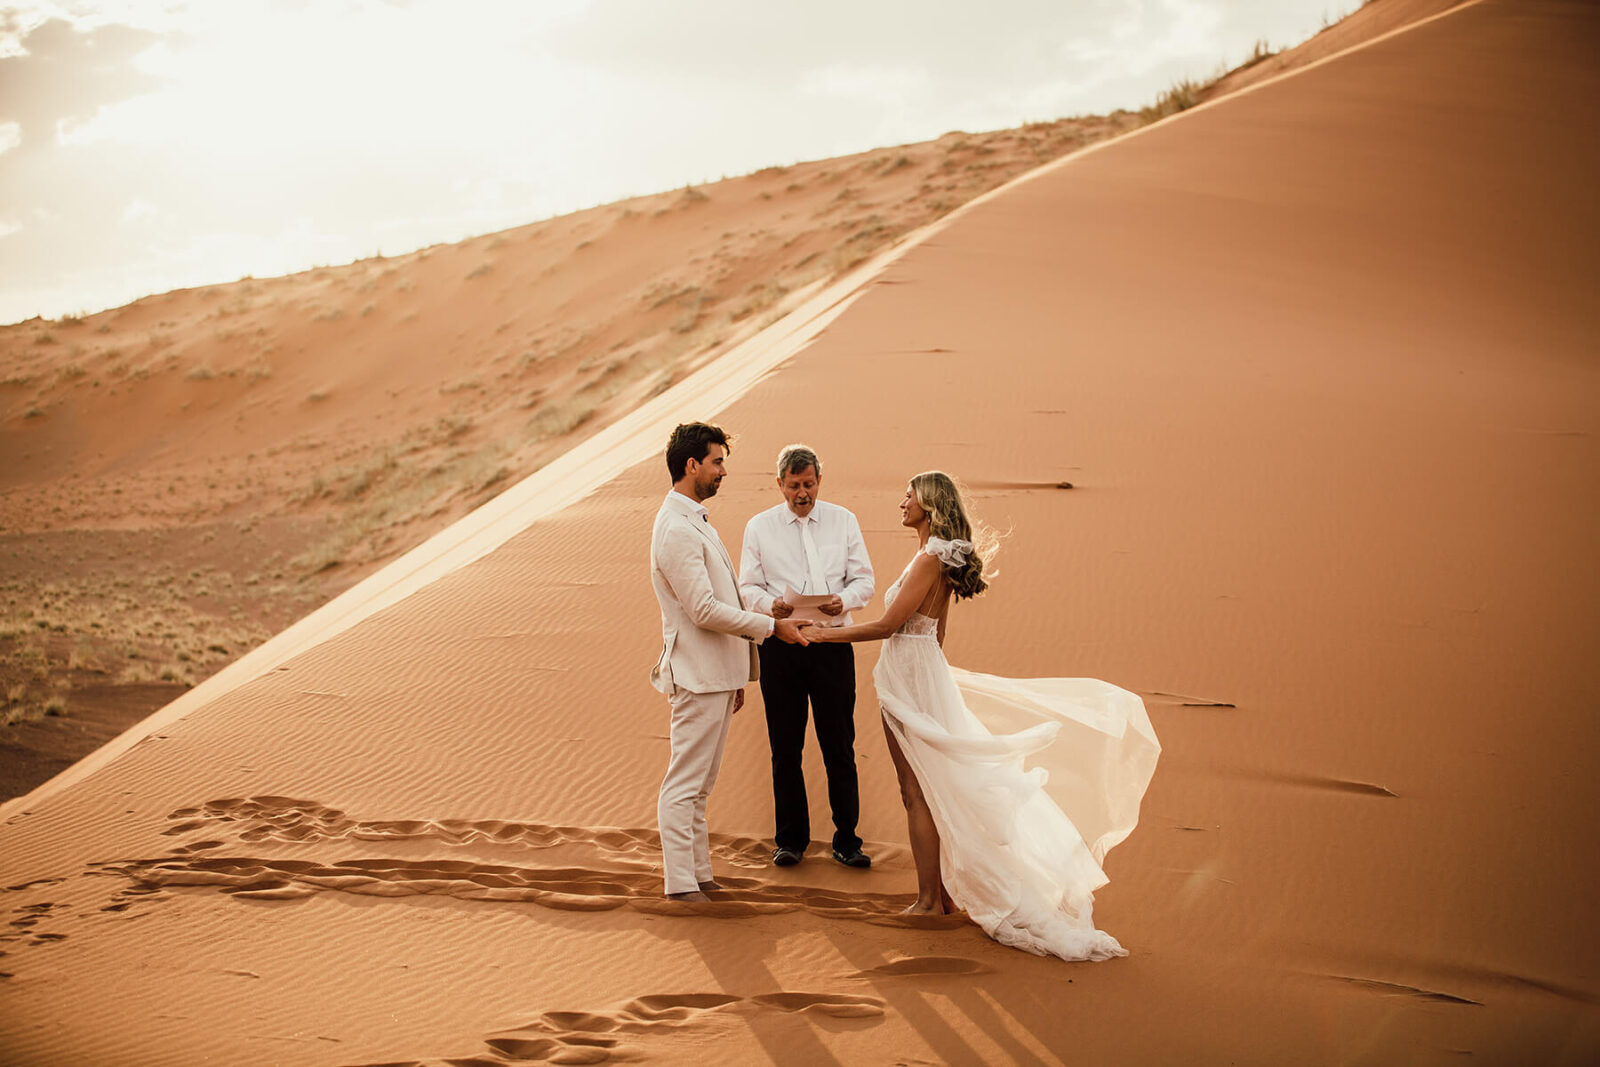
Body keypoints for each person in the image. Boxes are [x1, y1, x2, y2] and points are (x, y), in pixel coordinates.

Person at [806, 471, 1160, 960]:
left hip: (908, 678)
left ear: (928, 503)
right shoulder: (936, 556)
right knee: (933, 787)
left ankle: (931, 902)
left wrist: (823, 636)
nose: (901, 503)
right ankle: (942, 894)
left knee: (916, 792)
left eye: (908, 496)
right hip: (919, 672)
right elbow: (936, 634)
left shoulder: (930, 557)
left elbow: (890, 625)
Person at [649, 422, 809, 902]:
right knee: (684, 784)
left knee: (701, 786)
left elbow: (725, 596)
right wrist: (768, 628)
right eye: (717, 461)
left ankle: (700, 876)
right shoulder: (676, 528)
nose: (723, 471)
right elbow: (701, 609)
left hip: (717, 675)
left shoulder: (694, 520)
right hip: (696, 677)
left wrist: (742, 664)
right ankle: (680, 886)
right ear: (691, 465)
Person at [739, 444, 875, 869]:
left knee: (840, 746)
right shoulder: (759, 527)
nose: (803, 493)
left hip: (833, 644)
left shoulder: (843, 520)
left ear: (820, 480)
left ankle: (847, 840)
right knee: (785, 747)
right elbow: (747, 587)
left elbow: (864, 580)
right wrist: (770, 606)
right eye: (795, 486)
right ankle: (790, 841)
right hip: (781, 647)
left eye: (810, 484)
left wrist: (843, 599)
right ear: (779, 484)